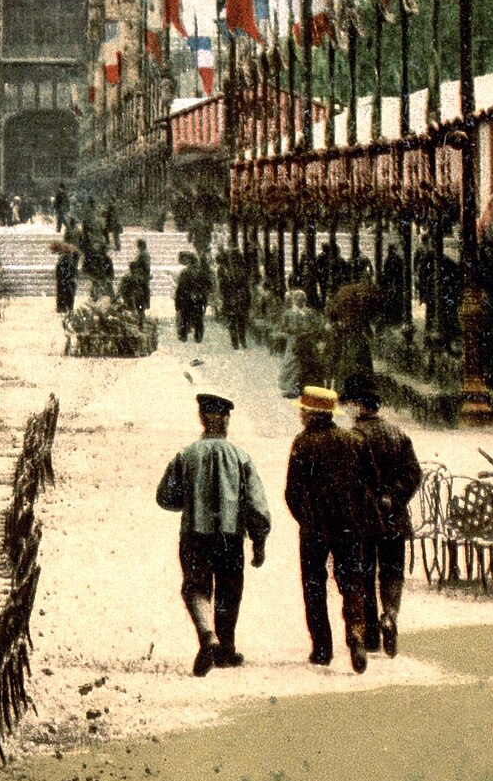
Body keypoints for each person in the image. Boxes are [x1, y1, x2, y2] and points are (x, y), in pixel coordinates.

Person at [155, 391, 271, 675]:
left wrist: (190, 501)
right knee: (229, 591)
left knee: (195, 586)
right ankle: (226, 651)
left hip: (194, 533)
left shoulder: (186, 455)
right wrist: (258, 540)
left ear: (202, 418)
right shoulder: (241, 457)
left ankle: (207, 635)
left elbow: (164, 497)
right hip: (230, 536)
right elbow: (256, 505)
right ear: (225, 420)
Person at [285, 383, 376, 671]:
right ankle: (356, 634)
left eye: (304, 411)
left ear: (312, 415)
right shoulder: (354, 441)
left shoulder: (302, 444)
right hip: (349, 525)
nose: (300, 416)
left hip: (315, 528)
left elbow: (292, 492)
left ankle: (322, 648)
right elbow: (370, 482)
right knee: (352, 583)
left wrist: (306, 519)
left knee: (314, 586)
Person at [345, 376, 422, 657]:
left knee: (365, 573)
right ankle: (390, 615)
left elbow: (351, 480)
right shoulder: (398, 434)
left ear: (360, 406)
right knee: (392, 571)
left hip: (364, 519)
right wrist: (394, 495)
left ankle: (370, 635)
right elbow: (414, 474)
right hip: (394, 517)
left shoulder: (353, 437)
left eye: (351, 404)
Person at [218, 245, 255, 350]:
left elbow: (245, 286)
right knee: (237, 321)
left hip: (235, 299)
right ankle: (238, 342)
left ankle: (238, 342)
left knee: (237, 322)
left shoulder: (237, 271)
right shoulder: (229, 271)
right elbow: (223, 287)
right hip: (235, 299)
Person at [174, 249, 212, 343]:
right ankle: (197, 336)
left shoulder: (185, 273)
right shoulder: (200, 272)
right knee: (197, 317)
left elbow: (180, 289)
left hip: (189, 298)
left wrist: (178, 302)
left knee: (186, 316)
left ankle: (185, 335)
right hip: (197, 298)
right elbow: (208, 285)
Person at [122, 239, 153, 317]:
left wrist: (133, 265)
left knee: (139, 300)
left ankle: (139, 316)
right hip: (143, 279)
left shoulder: (143, 254)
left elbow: (145, 267)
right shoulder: (144, 254)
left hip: (141, 280)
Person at [53, 241, 79, 314]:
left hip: (65, 280)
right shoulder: (69, 258)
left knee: (64, 295)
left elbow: (62, 270)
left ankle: (63, 308)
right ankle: (66, 308)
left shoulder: (65, 258)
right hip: (68, 280)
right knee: (68, 296)